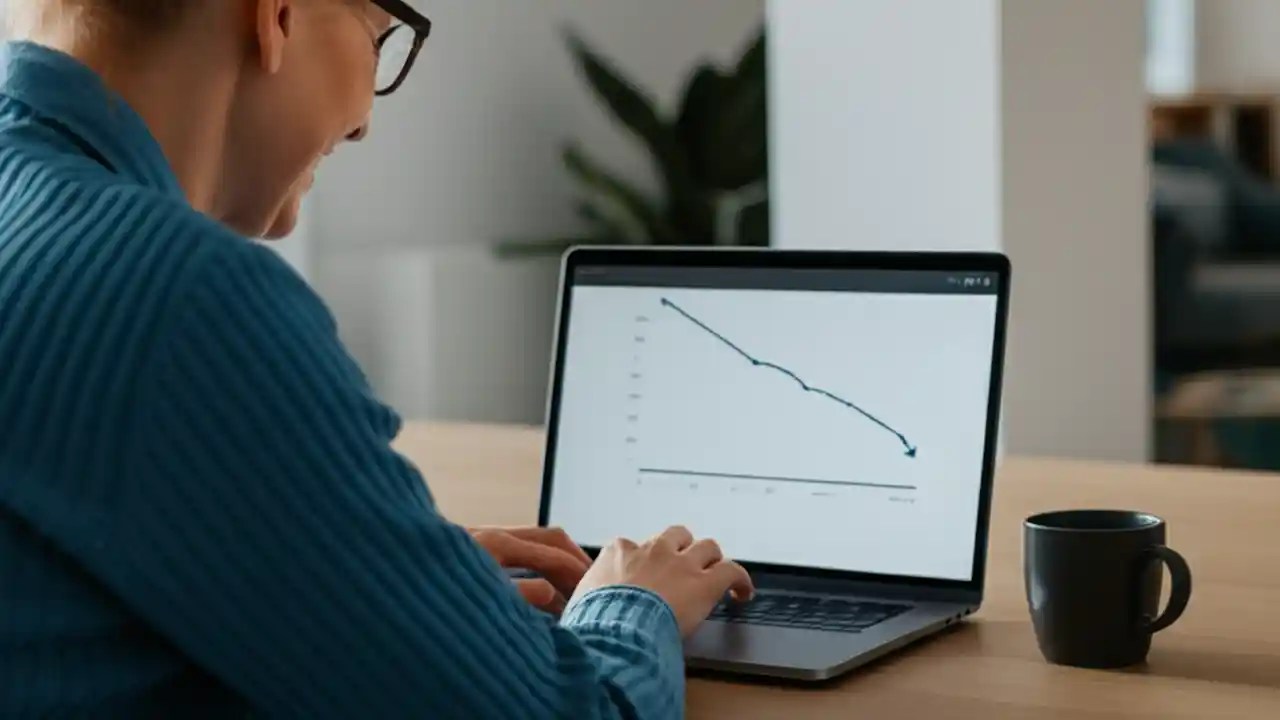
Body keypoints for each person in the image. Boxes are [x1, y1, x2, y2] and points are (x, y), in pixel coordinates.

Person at [0, 1, 754, 717]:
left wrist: (361, 572)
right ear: (275, 15)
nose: (365, 120)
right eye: (382, 32)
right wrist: (634, 602)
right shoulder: (185, 297)